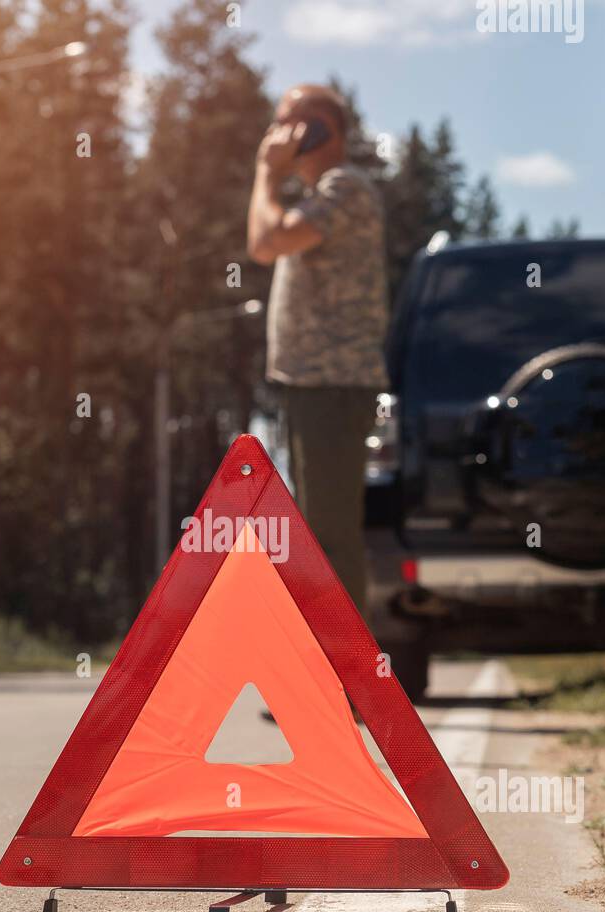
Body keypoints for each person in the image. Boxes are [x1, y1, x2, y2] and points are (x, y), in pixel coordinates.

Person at [246, 84, 389, 617]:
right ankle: (325, 685)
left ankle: (343, 687)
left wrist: (266, 174)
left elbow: (264, 243)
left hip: (332, 386)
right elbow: (267, 240)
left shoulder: (344, 188)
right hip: (312, 388)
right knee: (315, 541)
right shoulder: (320, 195)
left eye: (285, 123)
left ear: (317, 129)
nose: (274, 135)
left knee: (329, 541)